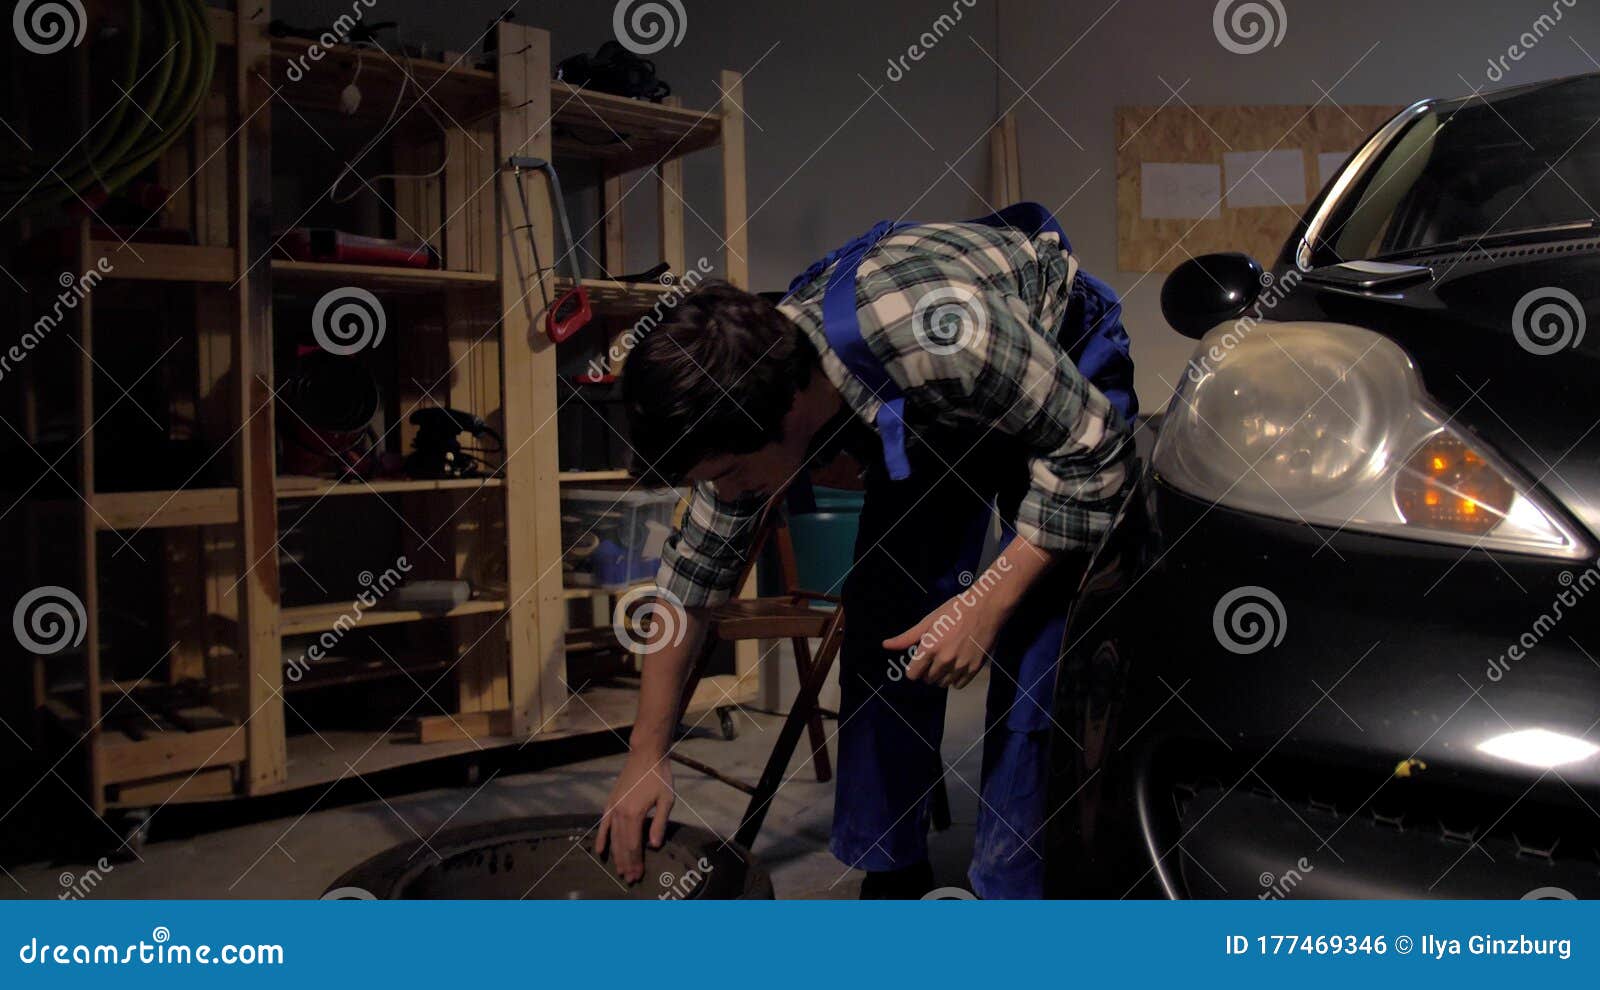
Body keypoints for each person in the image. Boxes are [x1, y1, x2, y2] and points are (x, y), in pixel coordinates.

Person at [593, 203, 1136, 898]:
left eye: (730, 473)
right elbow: (691, 580)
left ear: (790, 415)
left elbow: (1096, 455)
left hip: (1052, 375)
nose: (727, 492)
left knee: (1037, 641)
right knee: (885, 613)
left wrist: (984, 604)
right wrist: (646, 753)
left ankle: (1012, 893)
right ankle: (892, 870)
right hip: (932, 397)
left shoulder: (946, 334)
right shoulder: (742, 384)